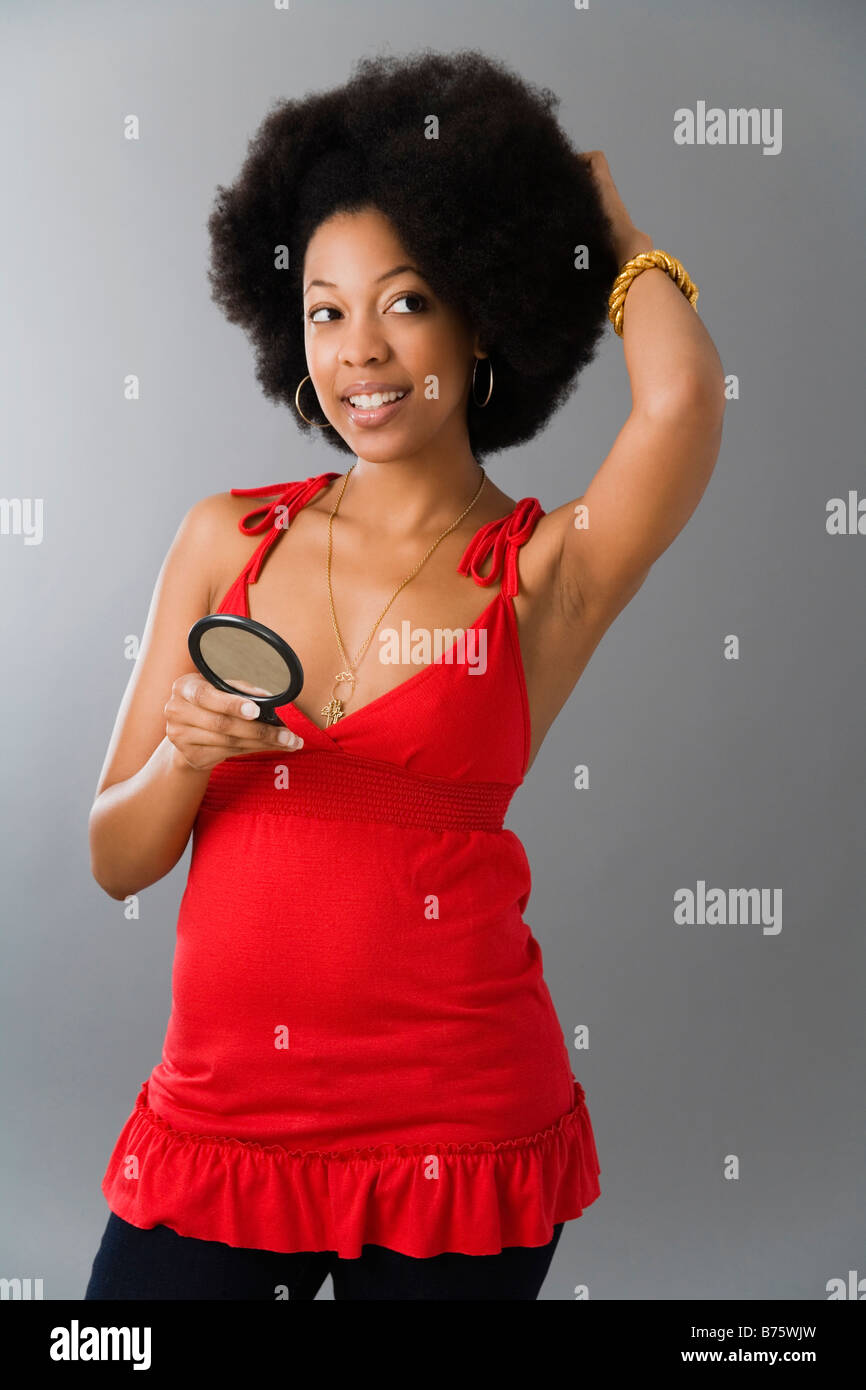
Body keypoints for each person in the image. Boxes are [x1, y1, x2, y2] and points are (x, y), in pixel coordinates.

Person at [85, 49, 725, 1301]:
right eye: (325, 309)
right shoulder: (225, 536)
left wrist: (615, 238)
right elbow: (115, 857)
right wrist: (186, 753)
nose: (360, 351)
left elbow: (681, 402)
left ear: (480, 313)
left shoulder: (538, 571)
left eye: (405, 301)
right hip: (226, 1125)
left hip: (456, 1128)